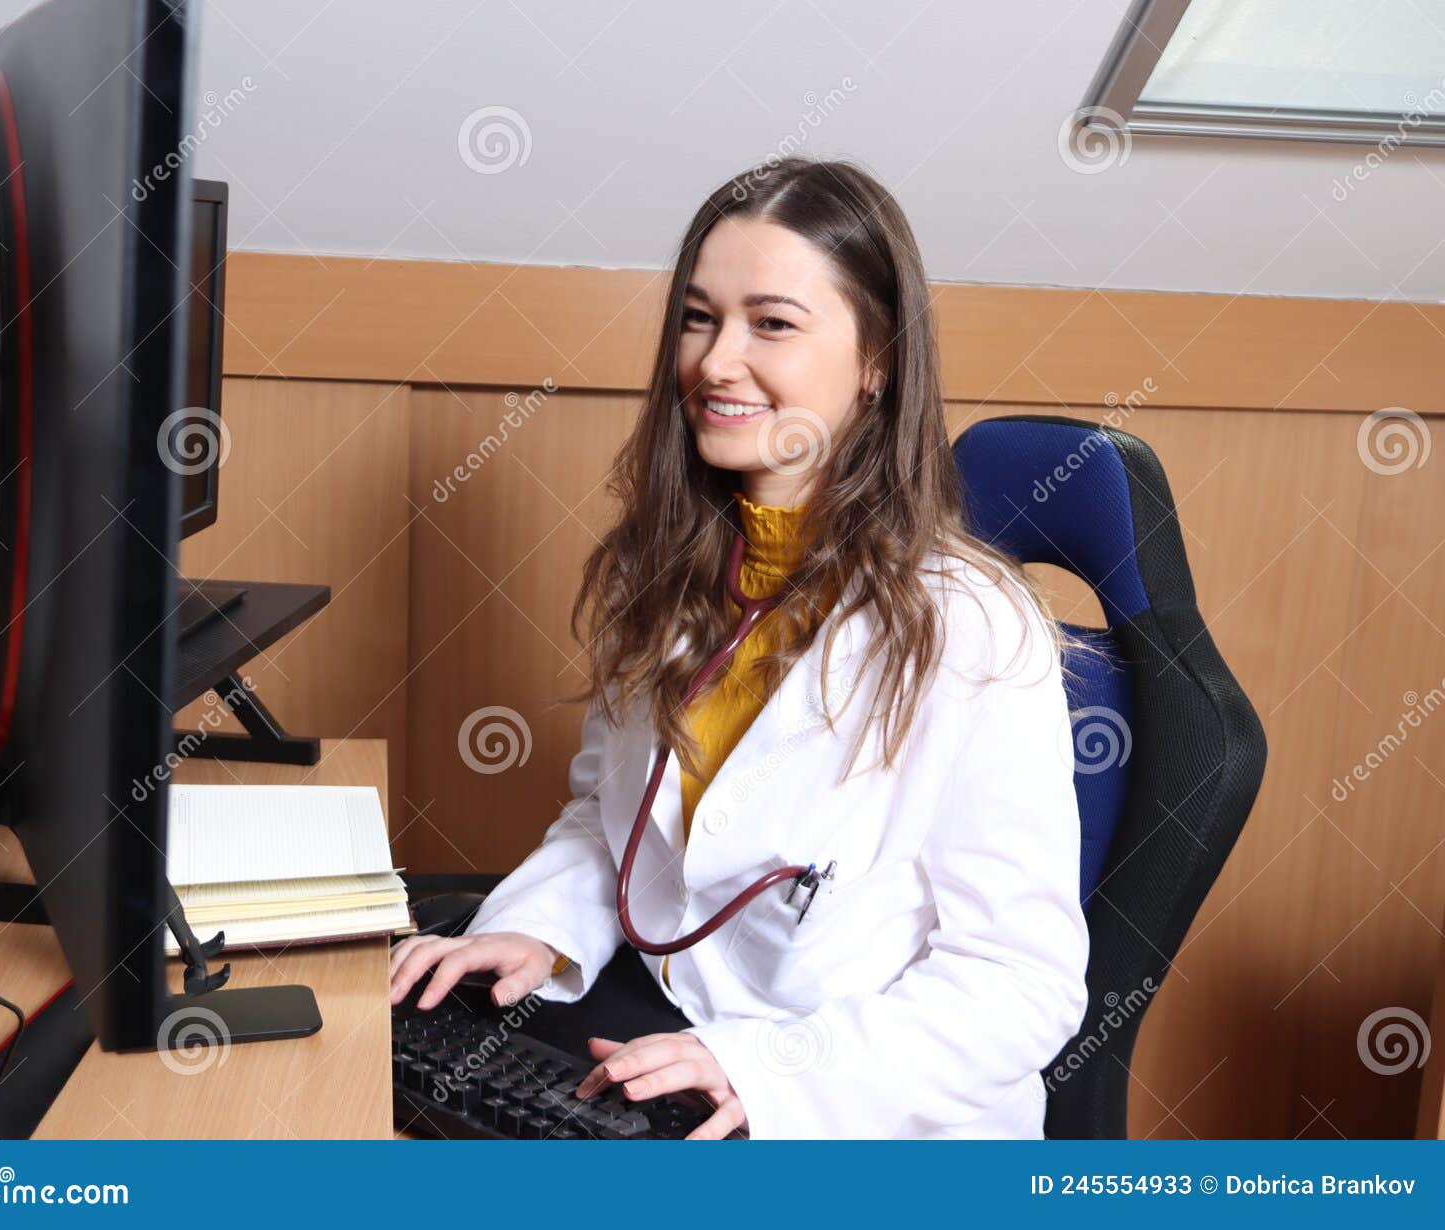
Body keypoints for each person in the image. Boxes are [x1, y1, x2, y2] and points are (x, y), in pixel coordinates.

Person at [388, 156, 1090, 1139]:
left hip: (858, 1107)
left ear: (878, 357)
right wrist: (530, 929)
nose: (717, 361)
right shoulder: (662, 569)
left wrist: (767, 1069)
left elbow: (1022, 986)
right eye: (697, 317)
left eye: (772, 323)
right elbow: (612, 823)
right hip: (666, 1033)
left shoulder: (973, 628)